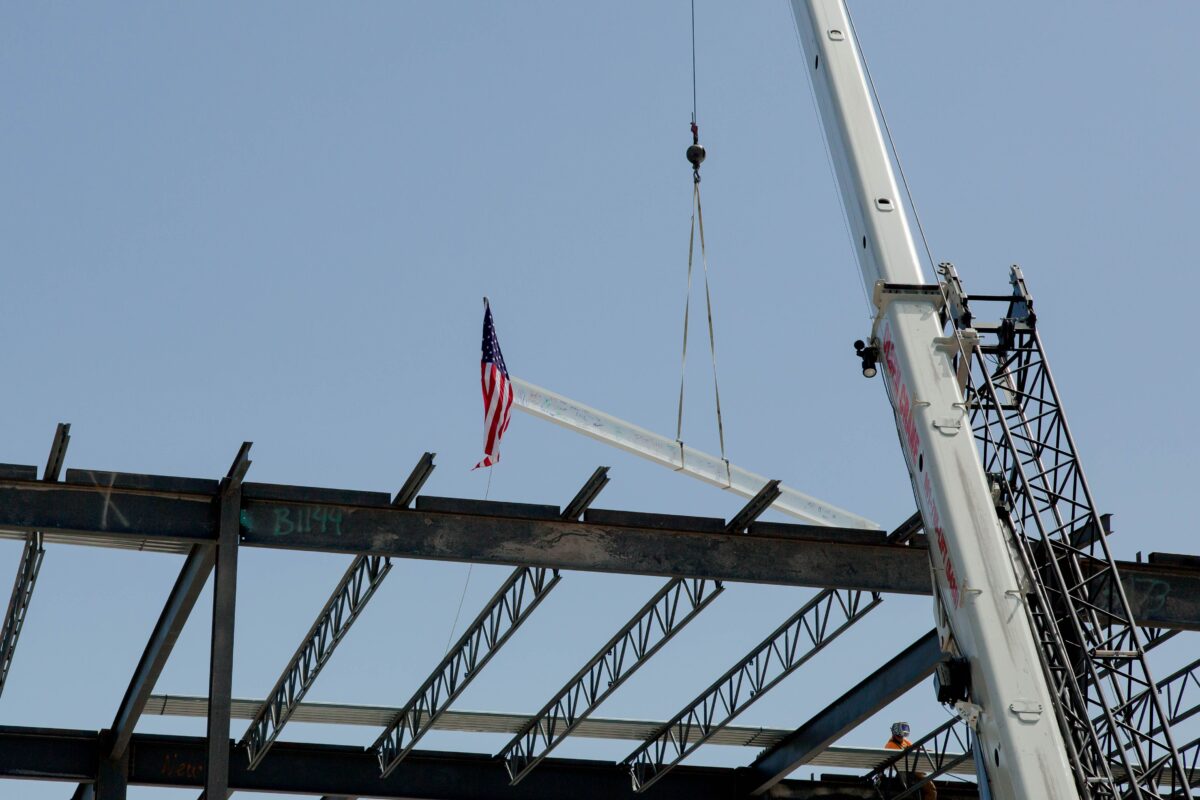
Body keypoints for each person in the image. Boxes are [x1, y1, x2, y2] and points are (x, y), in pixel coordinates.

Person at [884, 722, 936, 800]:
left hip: (915, 770)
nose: (901, 738)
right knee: (914, 792)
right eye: (899, 736)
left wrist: (925, 750)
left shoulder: (904, 741)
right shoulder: (890, 745)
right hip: (905, 772)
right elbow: (900, 761)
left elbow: (915, 748)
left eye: (902, 736)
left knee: (932, 790)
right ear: (894, 734)